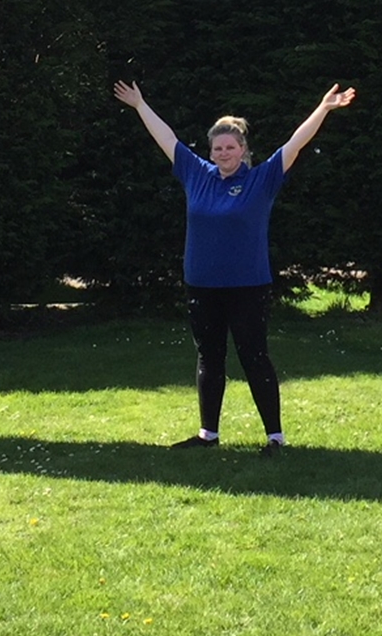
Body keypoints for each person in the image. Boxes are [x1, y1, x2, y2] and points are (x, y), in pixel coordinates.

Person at [112, 80, 356, 452]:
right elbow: (167, 138)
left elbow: (296, 143)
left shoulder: (262, 179)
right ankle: (207, 435)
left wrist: (323, 109)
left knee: (254, 356)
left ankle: (275, 437)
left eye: (230, 147)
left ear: (243, 150)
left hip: (247, 286)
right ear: (210, 151)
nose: (223, 153)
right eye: (217, 148)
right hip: (202, 285)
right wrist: (140, 105)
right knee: (209, 357)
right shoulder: (196, 174)